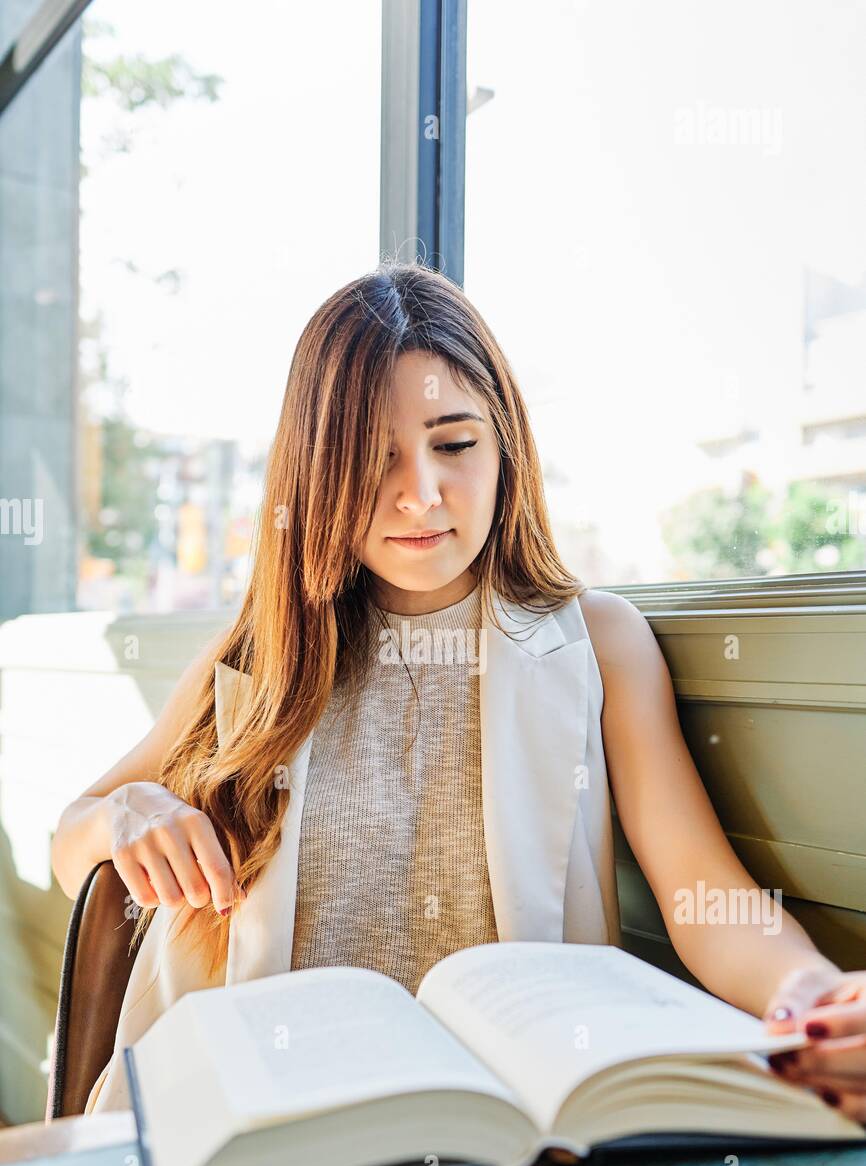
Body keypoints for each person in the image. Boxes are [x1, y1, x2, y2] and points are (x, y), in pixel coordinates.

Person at [51, 259, 866, 1120]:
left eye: (454, 443)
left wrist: (812, 996)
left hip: (507, 1137)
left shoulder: (598, 643)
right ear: (316, 470)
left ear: (504, 444)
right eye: (374, 458)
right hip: (256, 1125)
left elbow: (706, 895)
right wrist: (123, 816)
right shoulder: (259, 658)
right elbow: (74, 844)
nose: (422, 494)